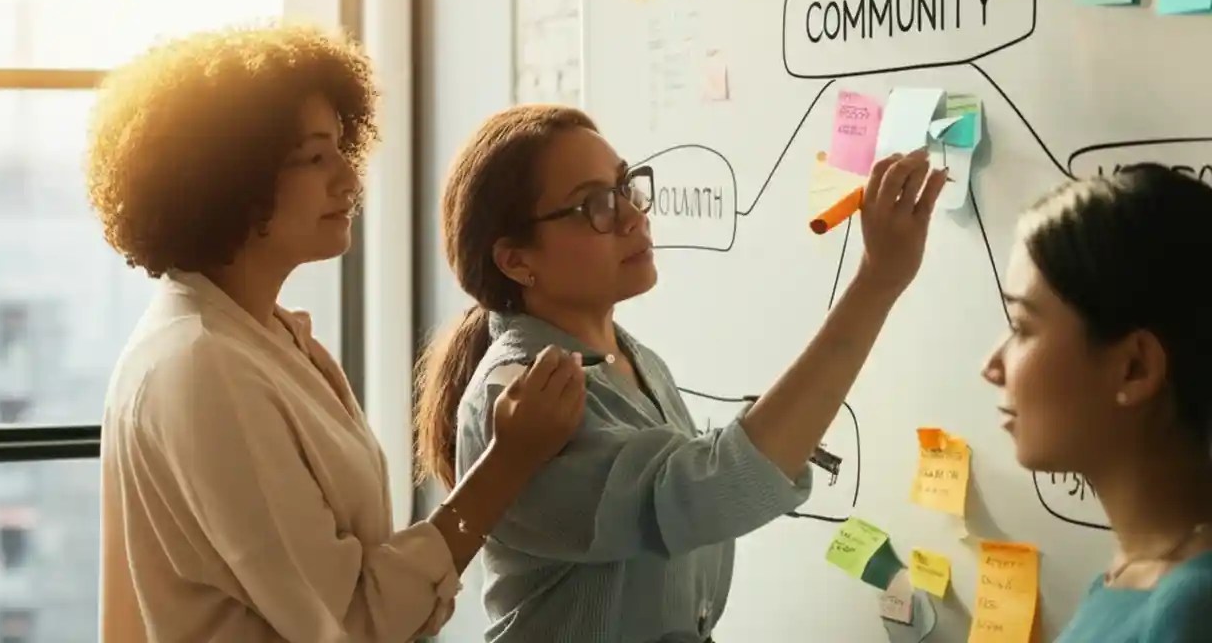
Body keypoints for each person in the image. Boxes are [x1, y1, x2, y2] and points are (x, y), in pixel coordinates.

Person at [89, 23, 585, 643]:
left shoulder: (262, 336)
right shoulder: (203, 365)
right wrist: (505, 464)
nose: (348, 180)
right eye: (314, 157)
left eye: (341, 150)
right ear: (228, 178)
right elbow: (349, 621)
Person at [412, 103, 947, 641]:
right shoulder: (522, 397)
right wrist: (877, 281)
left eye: (625, 186)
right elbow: (702, 493)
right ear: (516, 261)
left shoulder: (634, 360)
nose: (631, 215)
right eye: (593, 205)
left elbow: (698, 485)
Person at [982, 164, 1212, 643]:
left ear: (1135, 368)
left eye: (1022, 328)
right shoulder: (1125, 580)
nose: (992, 366)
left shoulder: (1189, 612)